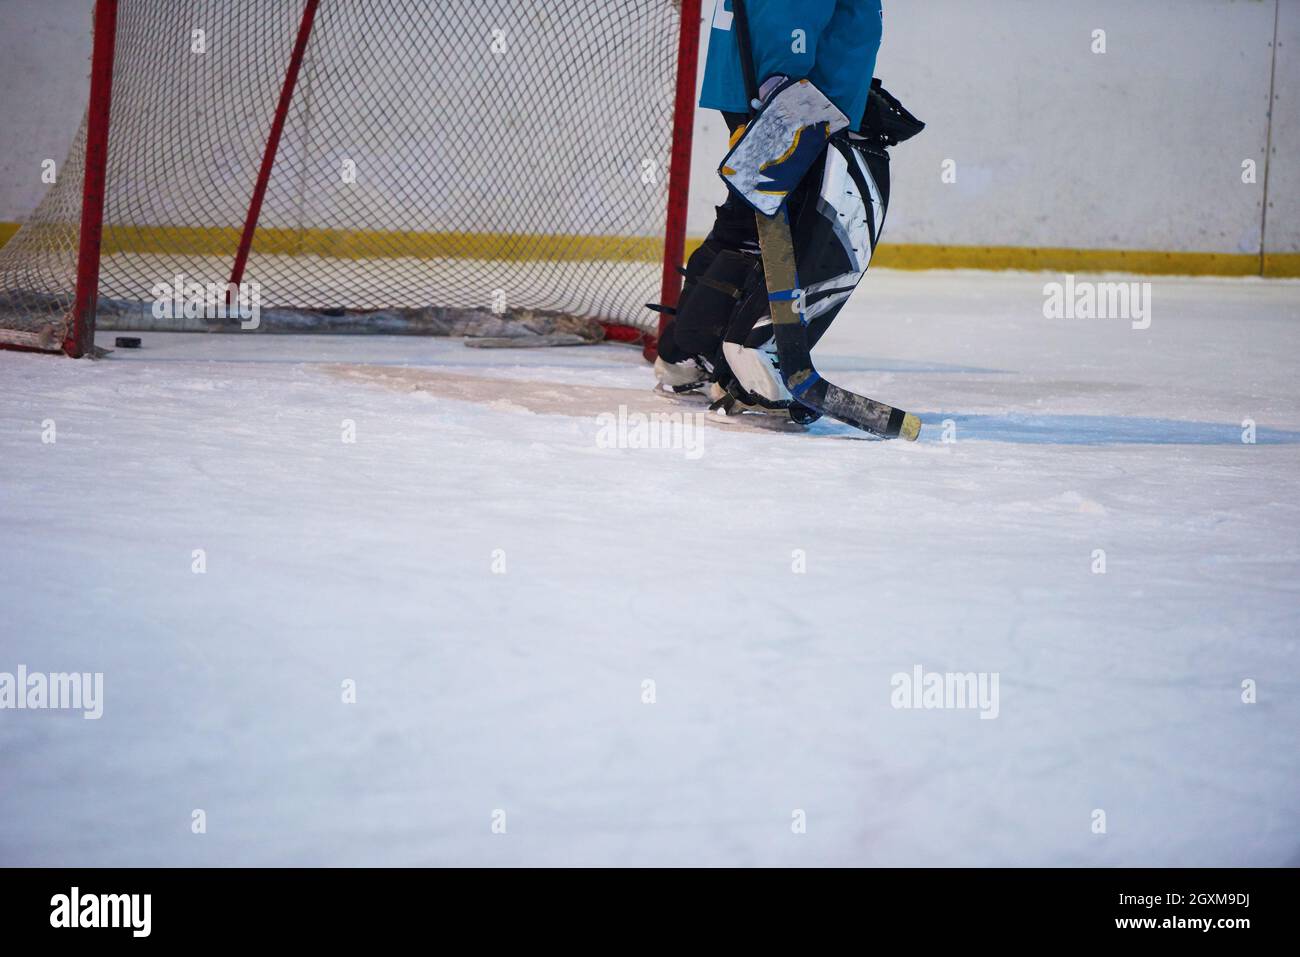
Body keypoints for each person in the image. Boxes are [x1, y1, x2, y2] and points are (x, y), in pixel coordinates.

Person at [654, 0, 921, 421]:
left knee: (746, 222)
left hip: (796, 97)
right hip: (796, 102)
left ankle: (689, 354)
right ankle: (741, 369)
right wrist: (783, 87)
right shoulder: (790, 90)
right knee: (777, 232)